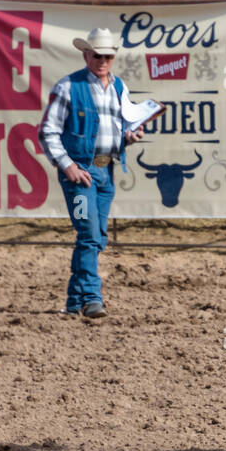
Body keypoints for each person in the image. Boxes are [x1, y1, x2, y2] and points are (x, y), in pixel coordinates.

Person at [40, 27, 147, 317]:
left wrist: (129, 136)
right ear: (86, 55)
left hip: (104, 169)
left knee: (96, 236)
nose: (102, 60)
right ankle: (91, 298)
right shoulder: (67, 87)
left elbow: (119, 128)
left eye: (107, 56)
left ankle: (75, 301)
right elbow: (47, 132)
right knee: (89, 234)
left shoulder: (119, 87)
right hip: (79, 172)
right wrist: (68, 165)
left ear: (113, 58)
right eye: (97, 55)